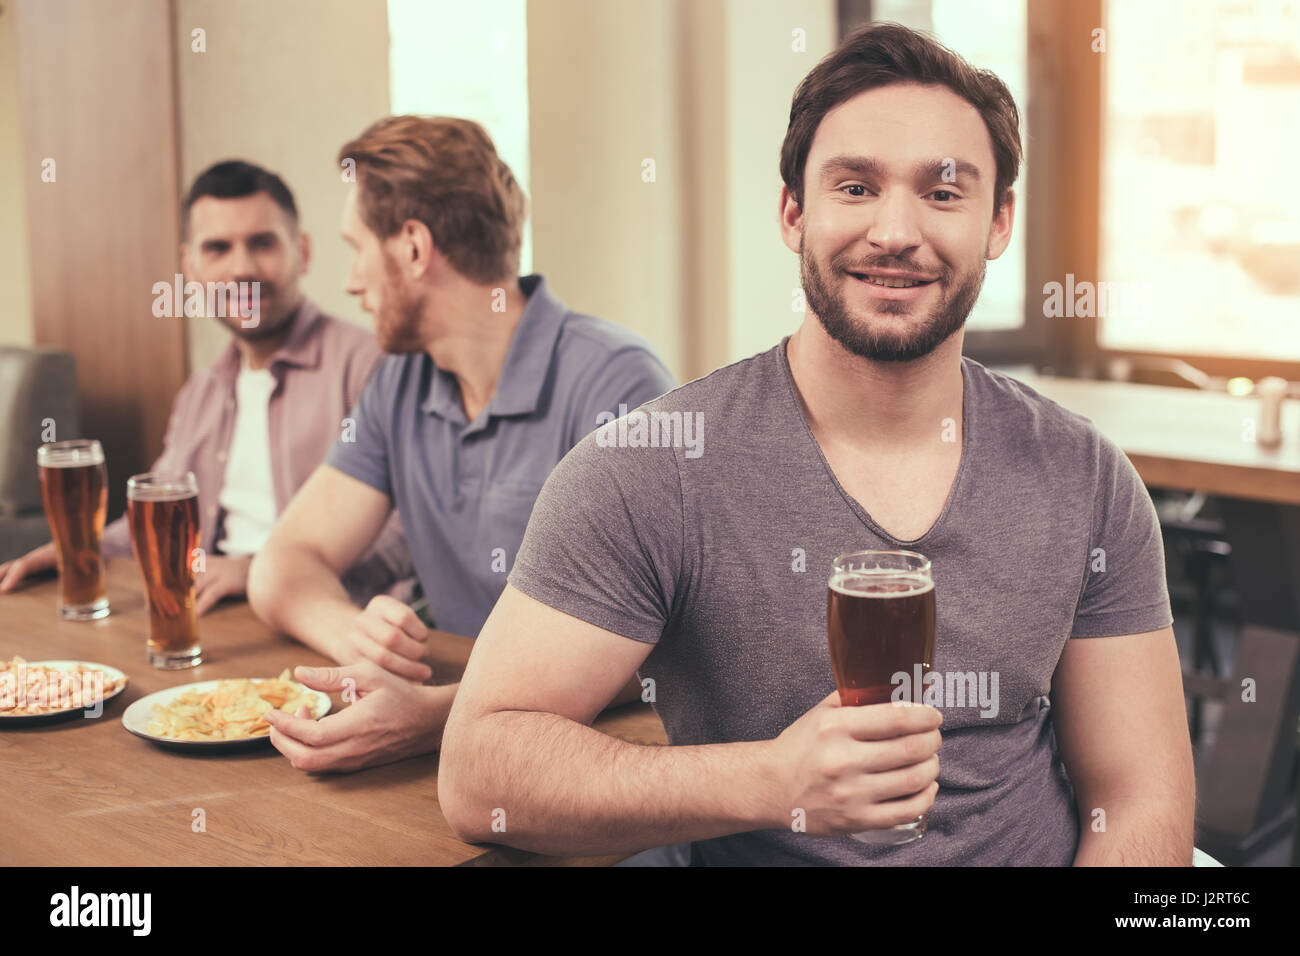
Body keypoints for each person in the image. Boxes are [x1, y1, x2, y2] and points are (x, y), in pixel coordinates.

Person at [436, 23, 1196, 865]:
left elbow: (1139, 796)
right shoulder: (650, 470)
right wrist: (767, 781)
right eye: (856, 187)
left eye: (944, 193)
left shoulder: (1086, 476)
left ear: (998, 221)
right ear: (795, 212)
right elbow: (480, 772)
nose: (896, 231)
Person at [247, 116, 676, 773]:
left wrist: (438, 716)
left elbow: (645, 648)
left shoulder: (614, 381)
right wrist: (356, 639)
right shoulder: (400, 381)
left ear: (414, 249)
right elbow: (282, 564)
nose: (350, 282)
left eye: (356, 248)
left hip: (597, 763)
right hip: (452, 749)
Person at [0, 161, 406, 612]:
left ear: (303, 252)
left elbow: (407, 533)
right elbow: (157, 511)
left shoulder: (373, 368)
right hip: (209, 614)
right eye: (217, 248)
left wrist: (259, 569)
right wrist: (82, 551)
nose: (241, 268)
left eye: (262, 243)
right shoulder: (200, 392)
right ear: (190, 267)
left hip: (331, 617)